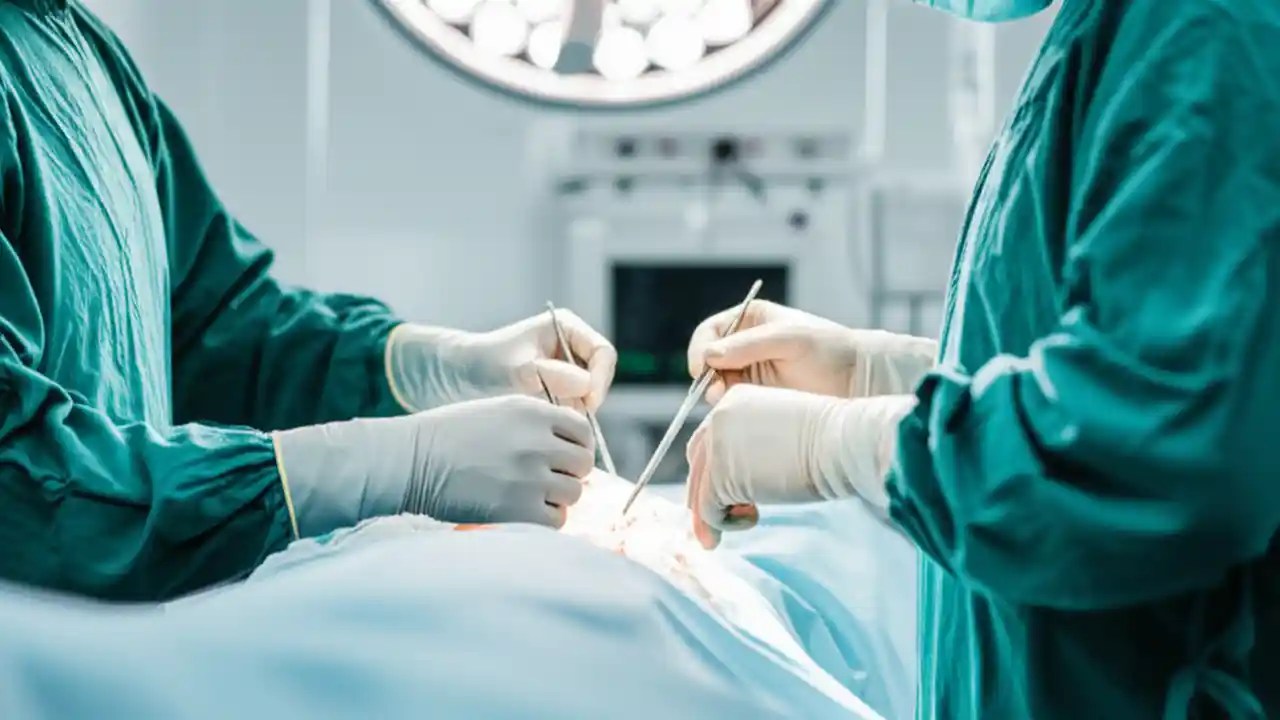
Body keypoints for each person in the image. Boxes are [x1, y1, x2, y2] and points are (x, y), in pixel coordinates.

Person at [683, 0, 1280, 717]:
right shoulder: (1125, 31)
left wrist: (850, 444)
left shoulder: (1201, 27)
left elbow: (1159, 457)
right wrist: (880, 377)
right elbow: (1127, 365)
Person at [0, 0, 615, 602]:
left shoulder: (82, 51)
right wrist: (379, 468)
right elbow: (15, 476)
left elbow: (218, 330)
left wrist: (440, 366)